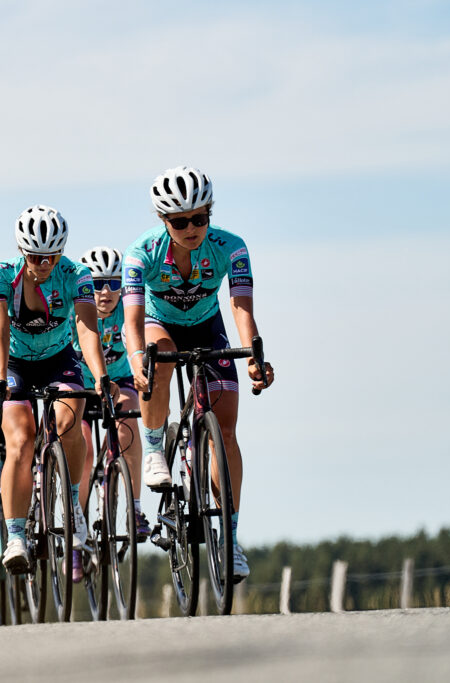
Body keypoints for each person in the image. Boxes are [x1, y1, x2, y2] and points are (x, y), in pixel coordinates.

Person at [123, 166, 275, 580]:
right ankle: (155, 449)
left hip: (208, 327)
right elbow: (131, 320)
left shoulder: (232, 247)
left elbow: (241, 307)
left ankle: (229, 537)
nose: (191, 228)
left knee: (225, 432)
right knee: (162, 356)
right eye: (180, 221)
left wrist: (254, 357)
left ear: (209, 212)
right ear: (163, 221)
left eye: (199, 218)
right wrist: (137, 357)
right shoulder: (141, 253)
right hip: (160, 326)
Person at [0, 205, 116, 573]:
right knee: (22, 440)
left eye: (52, 256)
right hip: (14, 363)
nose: (44, 264)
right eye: (36, 257)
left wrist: (101, 375)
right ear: (23, 252)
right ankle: (14, 537)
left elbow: (88, 330)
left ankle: (72, 505)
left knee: (70, 420)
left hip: (59, 359)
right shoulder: (1, 275)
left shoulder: (77, 275)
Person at [69, 247, 145, 582]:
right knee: (82, 448)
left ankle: (135, 507)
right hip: (82, 385)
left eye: (114, 283)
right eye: (98, 284)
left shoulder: (125, 311)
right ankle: (76, 528)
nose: (105, 292)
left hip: (118, 381)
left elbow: (134, 341)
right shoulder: (77, 310)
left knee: (129, 421)